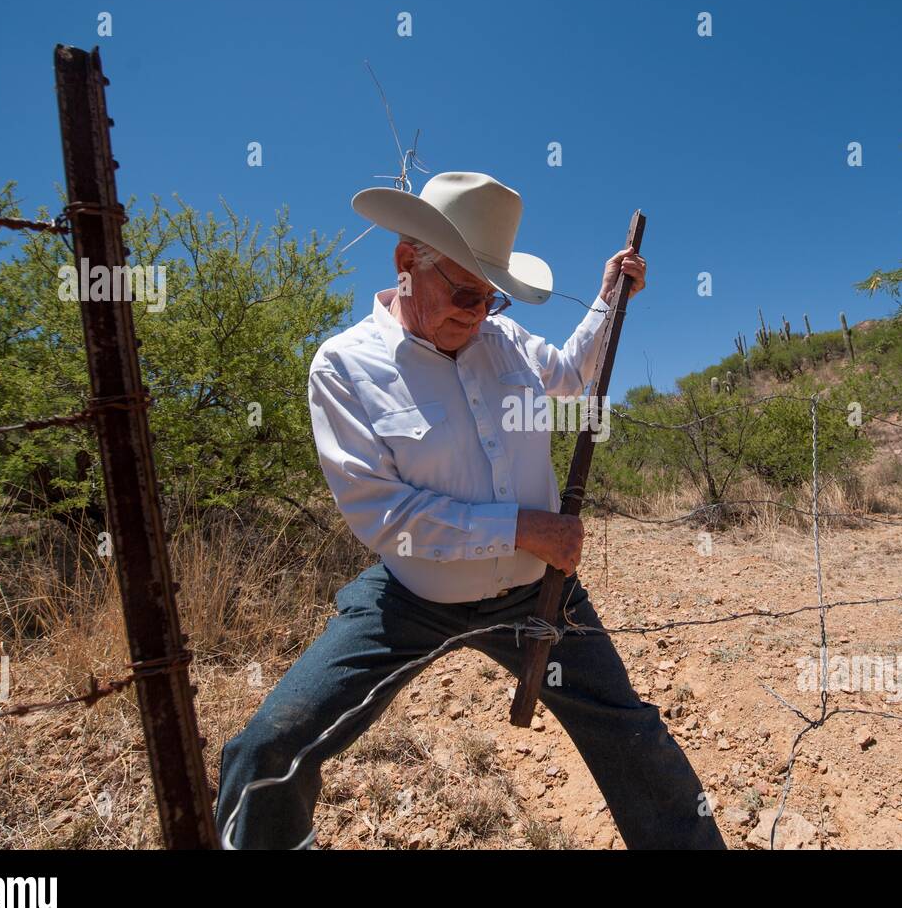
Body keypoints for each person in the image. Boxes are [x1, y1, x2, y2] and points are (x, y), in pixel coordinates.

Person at [215, 171, 724, 849]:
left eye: (492, 297)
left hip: (535, 593)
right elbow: (385, 514)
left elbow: (574, 375)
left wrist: (608, 300)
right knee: (271, 746)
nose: (479, 313)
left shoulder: (505, 344)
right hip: (411, 598)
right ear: (405, 263)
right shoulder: (343, 368)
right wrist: (523, 527)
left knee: (628, 730)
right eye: (463, 292)